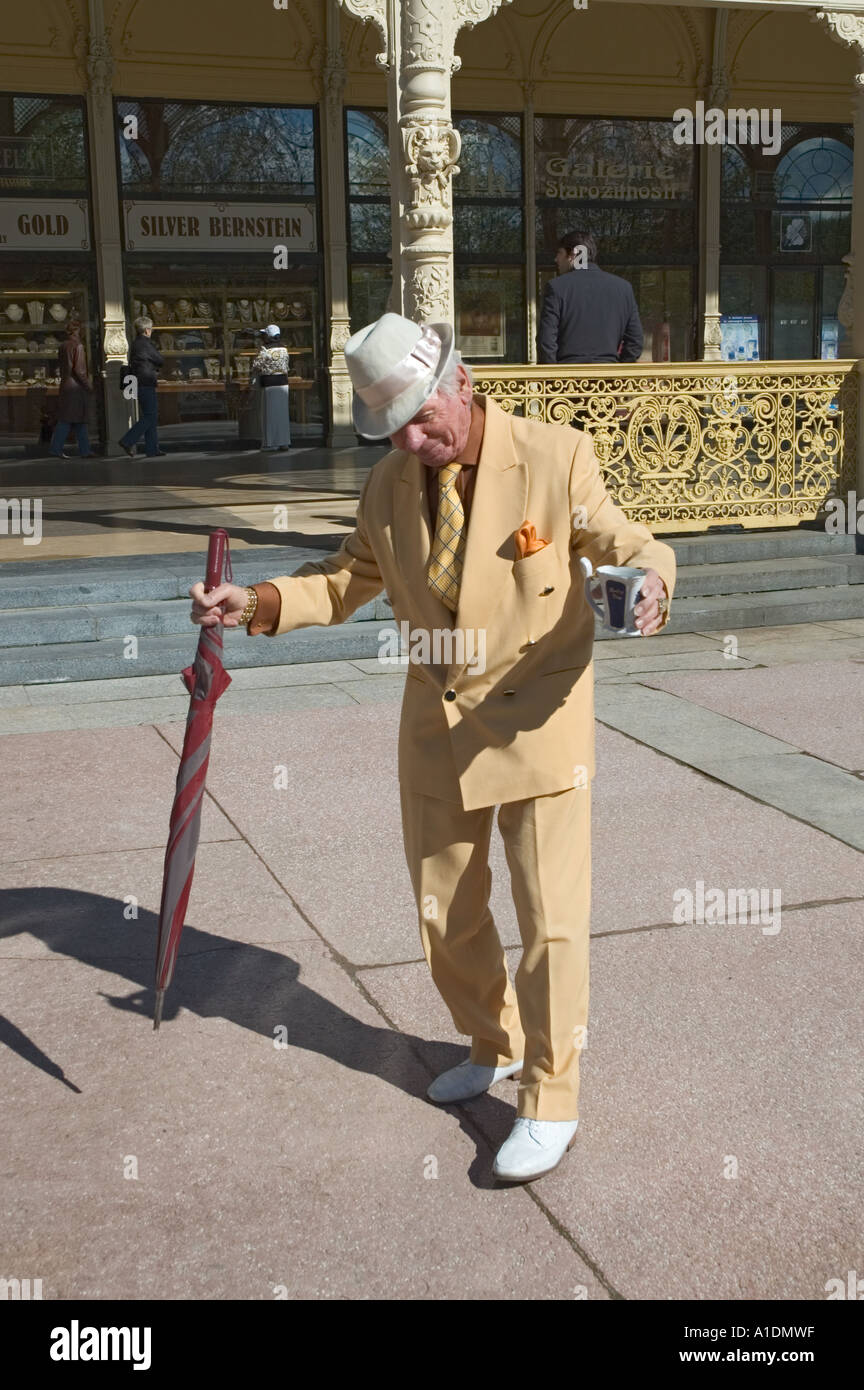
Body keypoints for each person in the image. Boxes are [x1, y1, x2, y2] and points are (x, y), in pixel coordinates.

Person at [189, 312, 675, 1184]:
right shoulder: (387, 485)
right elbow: (345, 579)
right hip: (435, 726)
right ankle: (493, 1044)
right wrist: (257, 601)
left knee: (550, 924)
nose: (414, 439)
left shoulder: (557, 456)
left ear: (463, 381)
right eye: (395, 427)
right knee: (445, 914)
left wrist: (652, 582)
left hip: (538, 720)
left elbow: (622, 539)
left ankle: (552, 1098)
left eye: (422, 416)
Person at [537, 229, 644, 364]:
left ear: (573, 255)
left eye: (559, 253)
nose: (556, 259)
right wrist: (618, 373)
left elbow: (546, 341)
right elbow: (635, 341)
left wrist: (554, 378)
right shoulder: (624, 288)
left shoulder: (557, 287)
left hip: (568, 379)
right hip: (609, 379)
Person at [119, 315, 166, 458]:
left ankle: (152, 449)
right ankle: (128, 440)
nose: (151, 331)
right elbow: (159, 359)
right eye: (151, 329)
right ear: (147, 330)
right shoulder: (145, 343)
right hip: (146, 382)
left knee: (149, 415)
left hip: (138, 382)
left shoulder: (135, 343)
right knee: (151, 416)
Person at [50, 321, 94, 458]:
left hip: (66, 385)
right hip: (76, 388)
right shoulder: (78, 346)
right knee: (69, 420)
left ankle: (84, 450)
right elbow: (79, 370)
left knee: (73, 419)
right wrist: (88, 385)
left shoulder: (63, 346)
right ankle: (57, 449)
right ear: (77, 330)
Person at [250, 324, 292, 451]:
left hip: (269, 384)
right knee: (283, 415)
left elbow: (257, 365)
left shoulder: (265, 350)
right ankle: (284, 442)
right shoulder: (285, 349)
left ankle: (270, 443)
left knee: (269, 415)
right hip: (283, 384)